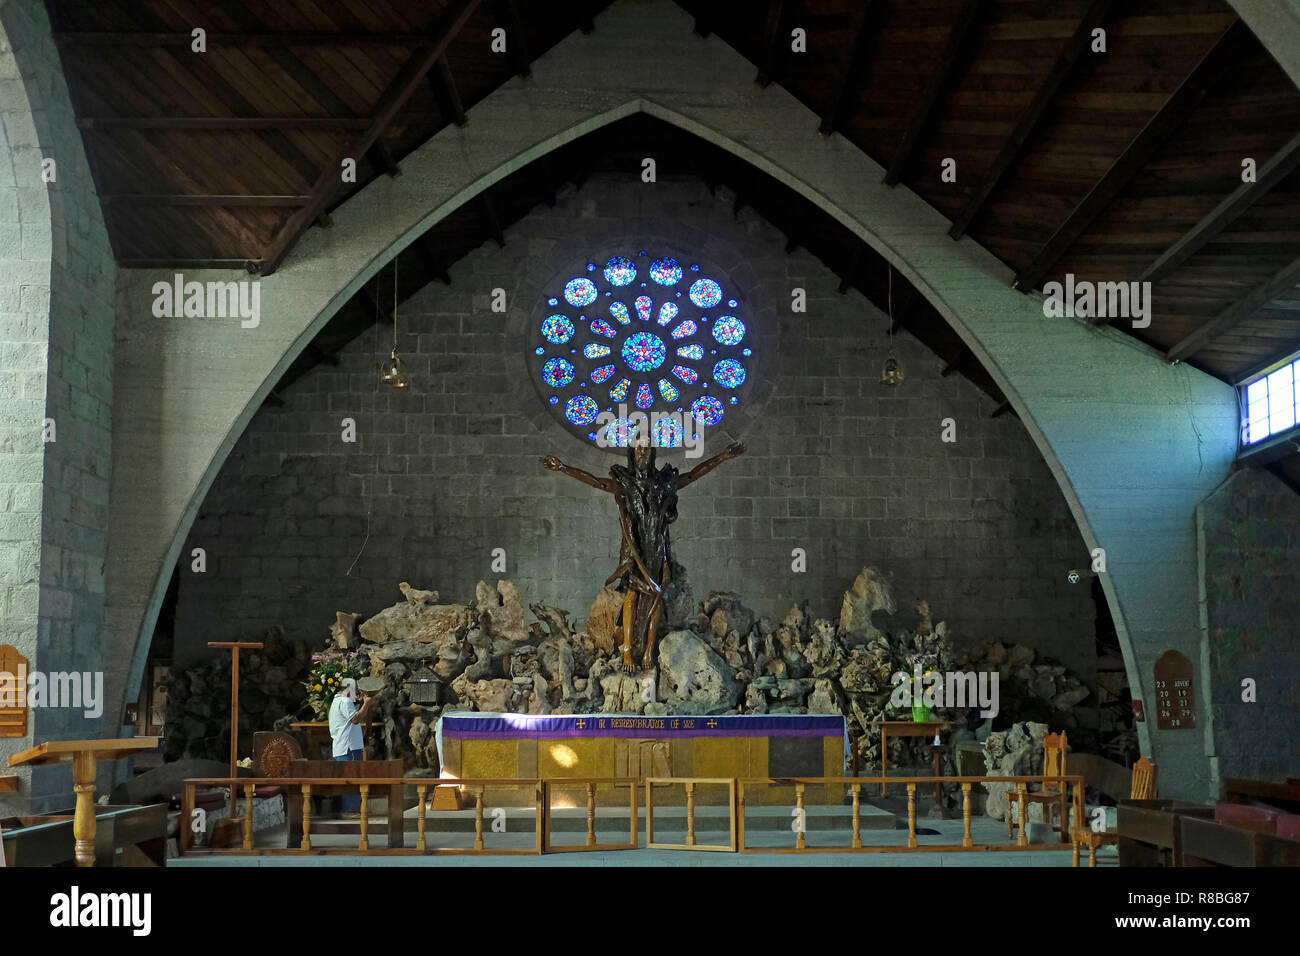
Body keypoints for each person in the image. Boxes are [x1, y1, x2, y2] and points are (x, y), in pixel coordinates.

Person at [328, 677, 378, 815]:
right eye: (355, 691)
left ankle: (345, 810)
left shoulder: (336, 701)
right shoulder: (344, 701)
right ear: (349, 690)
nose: (356, 694)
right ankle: (350, 811)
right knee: (352, 778)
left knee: (346, 779)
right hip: (348, 748)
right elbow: (355, 720)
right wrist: (366, 704)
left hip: (343, 747)